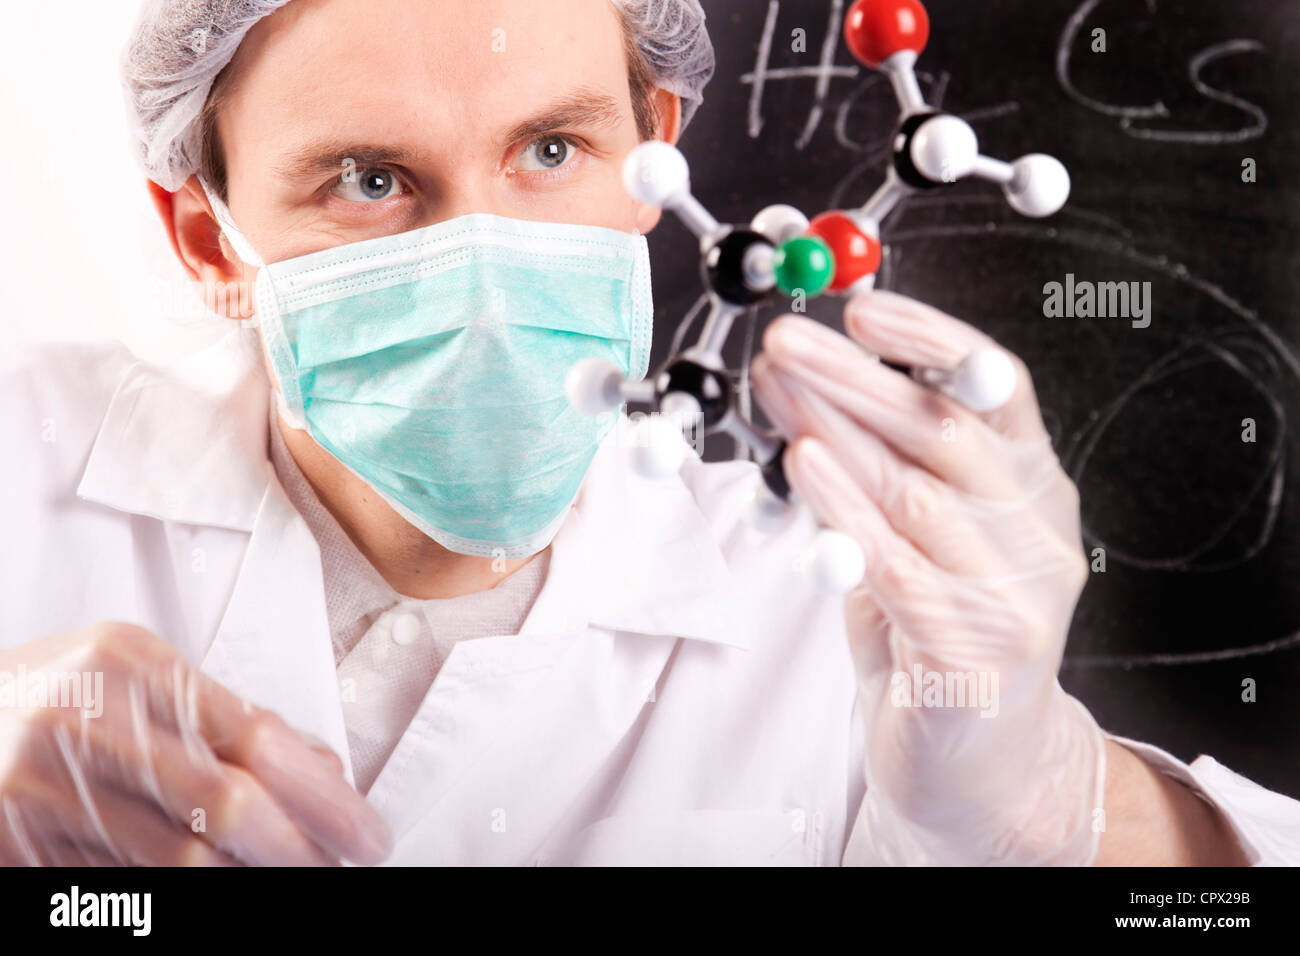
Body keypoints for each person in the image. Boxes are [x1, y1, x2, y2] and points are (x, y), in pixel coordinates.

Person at [1, 0, 1297, 866]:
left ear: (649, 159)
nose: (488, 267)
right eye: (371, 181)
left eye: (552, 150)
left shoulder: (840, 609)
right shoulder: (22, 466)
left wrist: (1055, 797)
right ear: (203, 238)